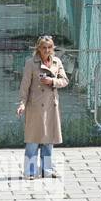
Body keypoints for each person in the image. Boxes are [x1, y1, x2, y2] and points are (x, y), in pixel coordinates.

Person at [16, 35, 68, 179]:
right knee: (33, 141)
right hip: (35, 106)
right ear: (38, 48)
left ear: (53, 48)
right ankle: (30, 172)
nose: (46, 50)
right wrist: (22, 103)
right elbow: (24, 86)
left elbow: (65, 80)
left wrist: (52, 81)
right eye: (44, 47)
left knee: (48, 140)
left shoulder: (57, 62)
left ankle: (47, 170)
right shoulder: (31, 63)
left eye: (49, 47)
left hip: (51, 106)